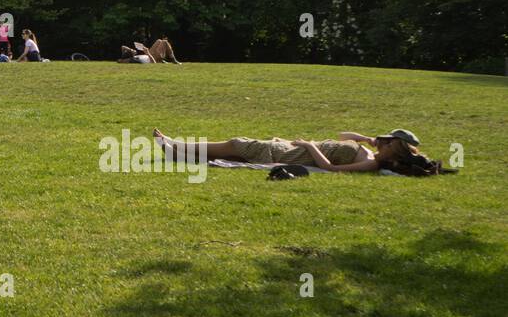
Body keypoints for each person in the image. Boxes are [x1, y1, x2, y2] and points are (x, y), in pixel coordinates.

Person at [152, 127, 447, 175]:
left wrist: (309, 147)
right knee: (235, 152)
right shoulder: (368, 152)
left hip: (299, 154)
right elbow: (343, 135)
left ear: (393, 147)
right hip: (299, 149)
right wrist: (367, 138)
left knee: (236, 145)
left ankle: (174, 146)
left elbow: (331, 170)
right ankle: (176, 150)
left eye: (385, 141)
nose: (379, 143)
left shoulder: (369, 165)